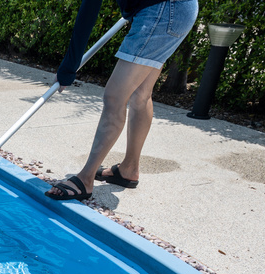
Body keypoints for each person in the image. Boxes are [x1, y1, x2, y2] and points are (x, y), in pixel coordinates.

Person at [45, 0, 199, 201]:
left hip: (163, 10)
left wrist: (68, 68)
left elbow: (88, 10)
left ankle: (85, 179)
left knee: (115, 96)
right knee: (141, 92)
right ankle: (129, 169)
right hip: (177, 8)